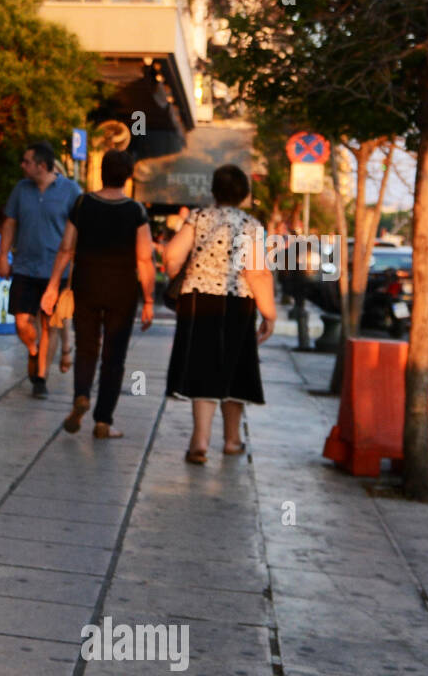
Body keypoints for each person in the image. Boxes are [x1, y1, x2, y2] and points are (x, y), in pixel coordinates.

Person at [161, 163, 276, 463]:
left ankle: (199, 440)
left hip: (198, 301)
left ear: (213, 190)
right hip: (238, 303)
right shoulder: (251, 226)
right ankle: (232, 440)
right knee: (235, 367)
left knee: (202, 366)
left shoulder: (198, 218)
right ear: (244, 195)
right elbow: (258, 273)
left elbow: (172, 255)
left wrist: (180, 272)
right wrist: (269, 314)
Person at [41, 149, 155, 439]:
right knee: (113, 356)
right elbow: (144, 259)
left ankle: (81, 395)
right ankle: (103, 421)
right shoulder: (135, 211)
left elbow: (66, 247)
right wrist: (150, 300)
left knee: (87, 347)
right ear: (128, 176)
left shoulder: (82, 203)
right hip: (122, 290)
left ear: (102, 172)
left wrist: (53, 285)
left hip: (87, 283)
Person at [0, 142, 81, 397]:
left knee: (50, 325)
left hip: (56, 270)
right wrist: (2, 254)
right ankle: (33, 350)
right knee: (22, 322)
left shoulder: (70, 190)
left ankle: (41, 378)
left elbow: (78, 229)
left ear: (41, 166)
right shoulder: (21, 190)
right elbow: (10, 222)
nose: (22, 165)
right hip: (24, 266)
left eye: (26, 161)